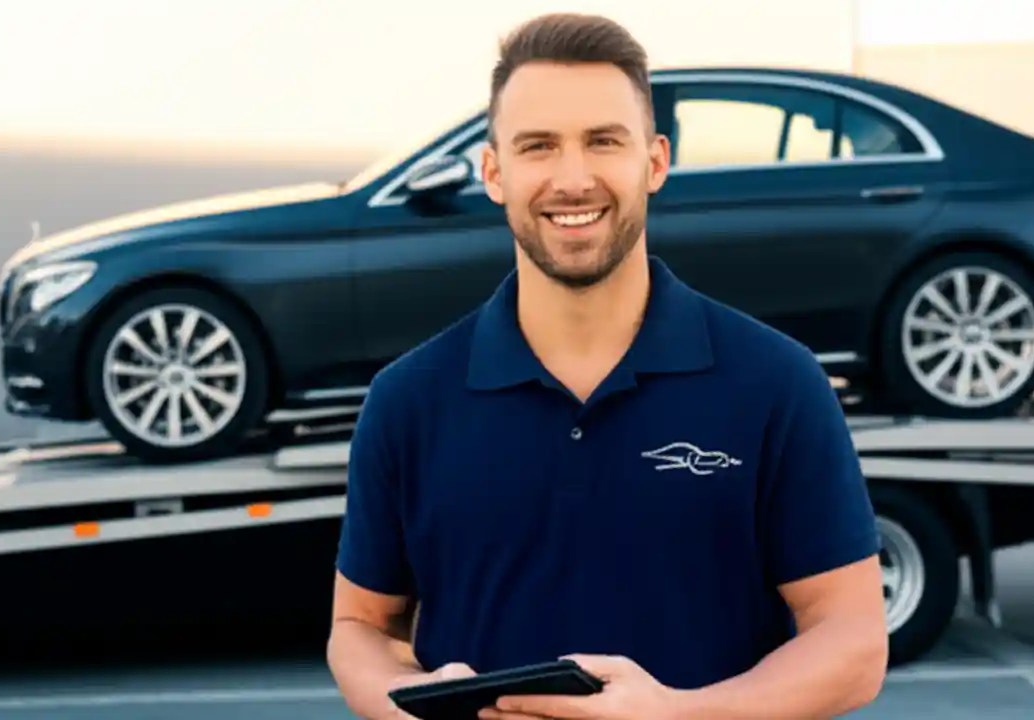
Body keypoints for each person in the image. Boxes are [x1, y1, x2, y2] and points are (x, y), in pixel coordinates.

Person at [327, 12, 888, 720]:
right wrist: (408, 706)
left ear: (654, 161)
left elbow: (852, 639)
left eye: (603, 141)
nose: (573, 179)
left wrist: (677, 714)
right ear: (494, 173)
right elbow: (360, 627)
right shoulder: (409, 401)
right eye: (538, 146)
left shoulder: (776, 383)